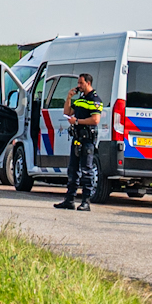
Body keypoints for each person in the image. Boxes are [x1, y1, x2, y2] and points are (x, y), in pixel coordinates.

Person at [54, 71, 104, 212]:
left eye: (81, 83)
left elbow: (95, 120)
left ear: (88, 83)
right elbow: (68, 112)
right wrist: (69, 97)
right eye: (78, 83)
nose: (79, 86)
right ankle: (69, 200)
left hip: (87, 139)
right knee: (73, 170)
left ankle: (86, 202)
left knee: (86, 170)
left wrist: (78, 121)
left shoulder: (95, 99)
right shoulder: (81, 98)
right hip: (77, 138)